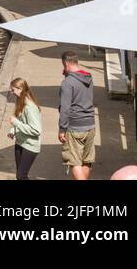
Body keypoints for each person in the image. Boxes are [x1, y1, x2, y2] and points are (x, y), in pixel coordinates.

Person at [59, 50, 96, 180]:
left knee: (74, 161)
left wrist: (62, 128)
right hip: (90, 125)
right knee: (86, 161)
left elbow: (65, 108)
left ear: (66, 64)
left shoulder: (67, 83)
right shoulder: (89, 77)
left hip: (75, 126)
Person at [8, 77, 42, 180]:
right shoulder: (20, 102)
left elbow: (36, 130)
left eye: (13, 89)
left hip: (30, 145)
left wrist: (16, 123)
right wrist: (13, 130)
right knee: (20, 176)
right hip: (20, 142)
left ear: (20, 89)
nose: (11, 92)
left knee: (21, 176)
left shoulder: (30, 107)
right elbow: (22, 121)